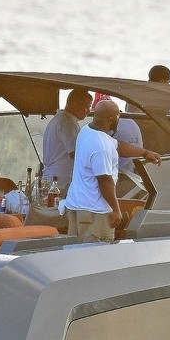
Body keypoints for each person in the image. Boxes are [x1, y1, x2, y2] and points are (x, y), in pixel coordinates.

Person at [61, 99, 123, 243]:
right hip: (94, 213)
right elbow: (104, 180)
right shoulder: (101, 146)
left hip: (77, 206)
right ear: (111, 119)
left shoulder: (87, 130)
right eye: (118, 116)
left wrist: (144, 153)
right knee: (94, 259)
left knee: (74, 255)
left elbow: (116, 146)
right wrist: (116, 210)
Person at [42, 88, 94, 193]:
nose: (89, 111)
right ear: (74, 104)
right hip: (60, 183)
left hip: (54, 179)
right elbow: (75, 153)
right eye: (87, 107)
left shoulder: (61, 119)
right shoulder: (67, 122)